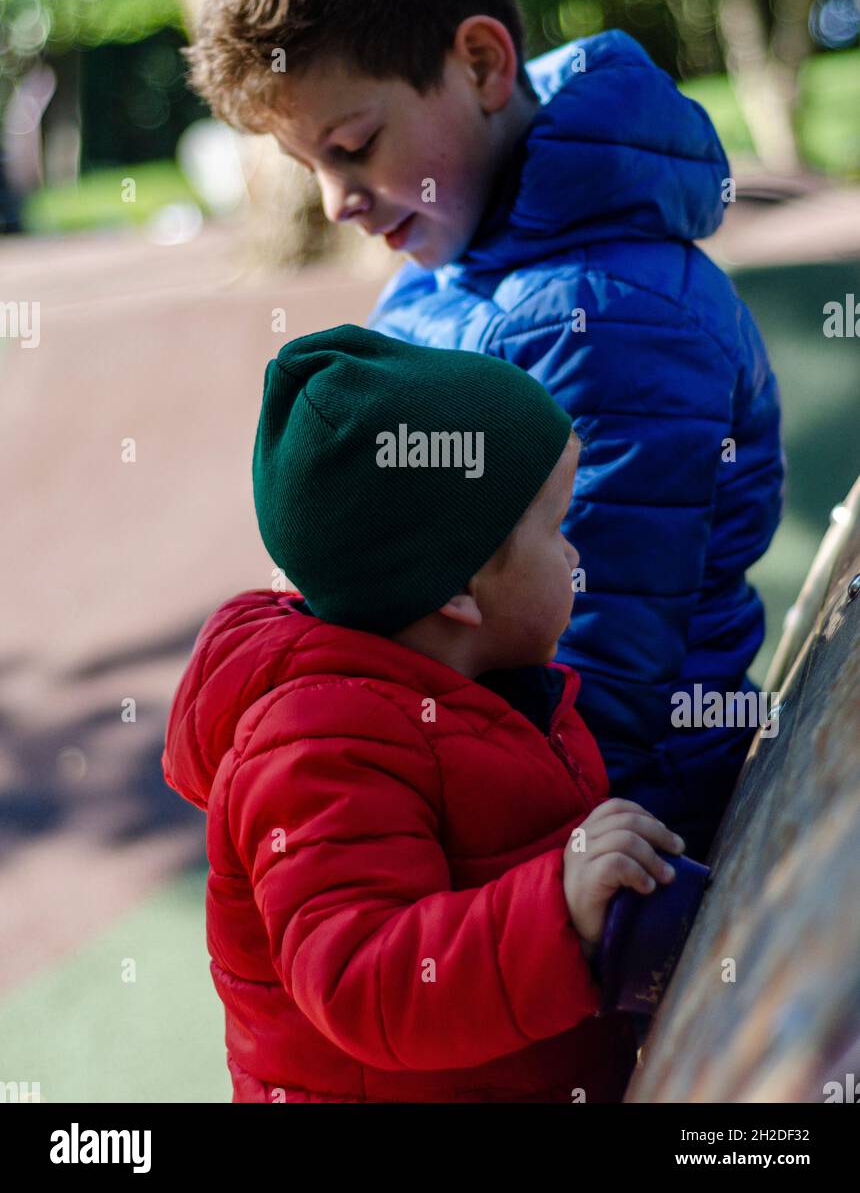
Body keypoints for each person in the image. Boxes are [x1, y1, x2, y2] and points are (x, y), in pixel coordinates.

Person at [182, 0, 784, 863]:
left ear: (480, 63)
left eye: (354, 145)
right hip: (479, 777)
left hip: (598, 836)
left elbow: (598, 678)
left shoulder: (611, 321)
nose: (338, 202)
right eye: (310, 169)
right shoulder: (447, 270)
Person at [163, 324, 685, 1103]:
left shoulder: (484, 686)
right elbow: (361, 976)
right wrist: (560, 911)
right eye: (555, 528)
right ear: (458, 593)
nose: (575, 557)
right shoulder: (317, 742)